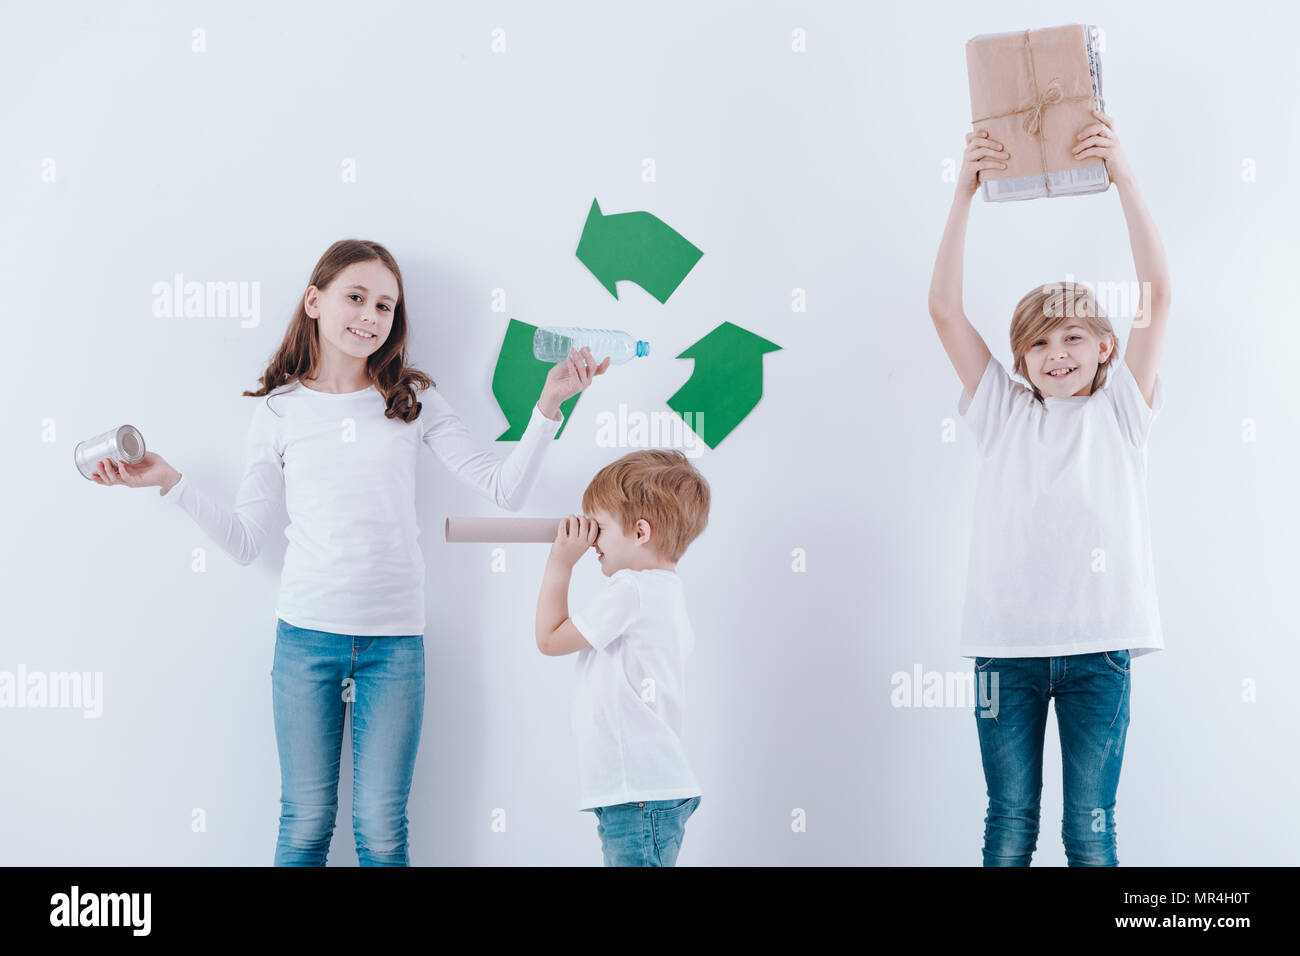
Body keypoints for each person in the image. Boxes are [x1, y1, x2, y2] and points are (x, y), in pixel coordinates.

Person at [89, 238, 609, 865]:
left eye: (385, 306)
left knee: (382, 831)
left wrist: (549, 405)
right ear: (314, 301)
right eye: (356, 297)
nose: (370, 316)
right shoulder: (279, 411)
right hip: (306, 640)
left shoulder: (411, 402)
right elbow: (247, 542)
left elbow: (506, 489)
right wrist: (171, 481)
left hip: (395, 644)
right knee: (305, 825)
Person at [928, 110, 1170, 865]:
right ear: (1021, 360)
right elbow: (943, 311)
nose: (1055, 353)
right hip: (1005, 655)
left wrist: (1122, 173)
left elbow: (1158, 294)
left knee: (1089, 829)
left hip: (1101, 654)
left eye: (1071, 337)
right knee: (1009, 822)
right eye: (1037, 342)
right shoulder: (1001, 411)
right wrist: (963, 192)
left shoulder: (1121, 409)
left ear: (1104, 348)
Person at [534, 449, 710, 866]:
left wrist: (560, 562)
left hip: (638, 794)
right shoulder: (664, 590)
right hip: (644, 791)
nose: (591, 539)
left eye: (600, 527)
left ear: (641, 532)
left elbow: (549, 639)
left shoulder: (632, 589)